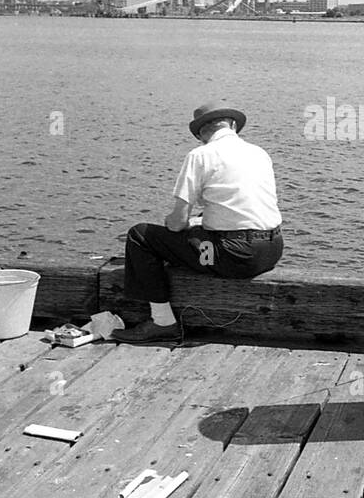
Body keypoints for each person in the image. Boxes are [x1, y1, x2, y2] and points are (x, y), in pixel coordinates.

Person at [117, 100, 283, 345]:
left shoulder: (200, 155)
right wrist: (199, 223)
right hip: (272, 250)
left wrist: (182, 223)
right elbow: (241, 206)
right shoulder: (259, 153)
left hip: (236, 257)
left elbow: (176, 222)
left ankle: (163, 322)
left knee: (140, 236)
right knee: (194, 234)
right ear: (233, 125)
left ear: (201, 134)